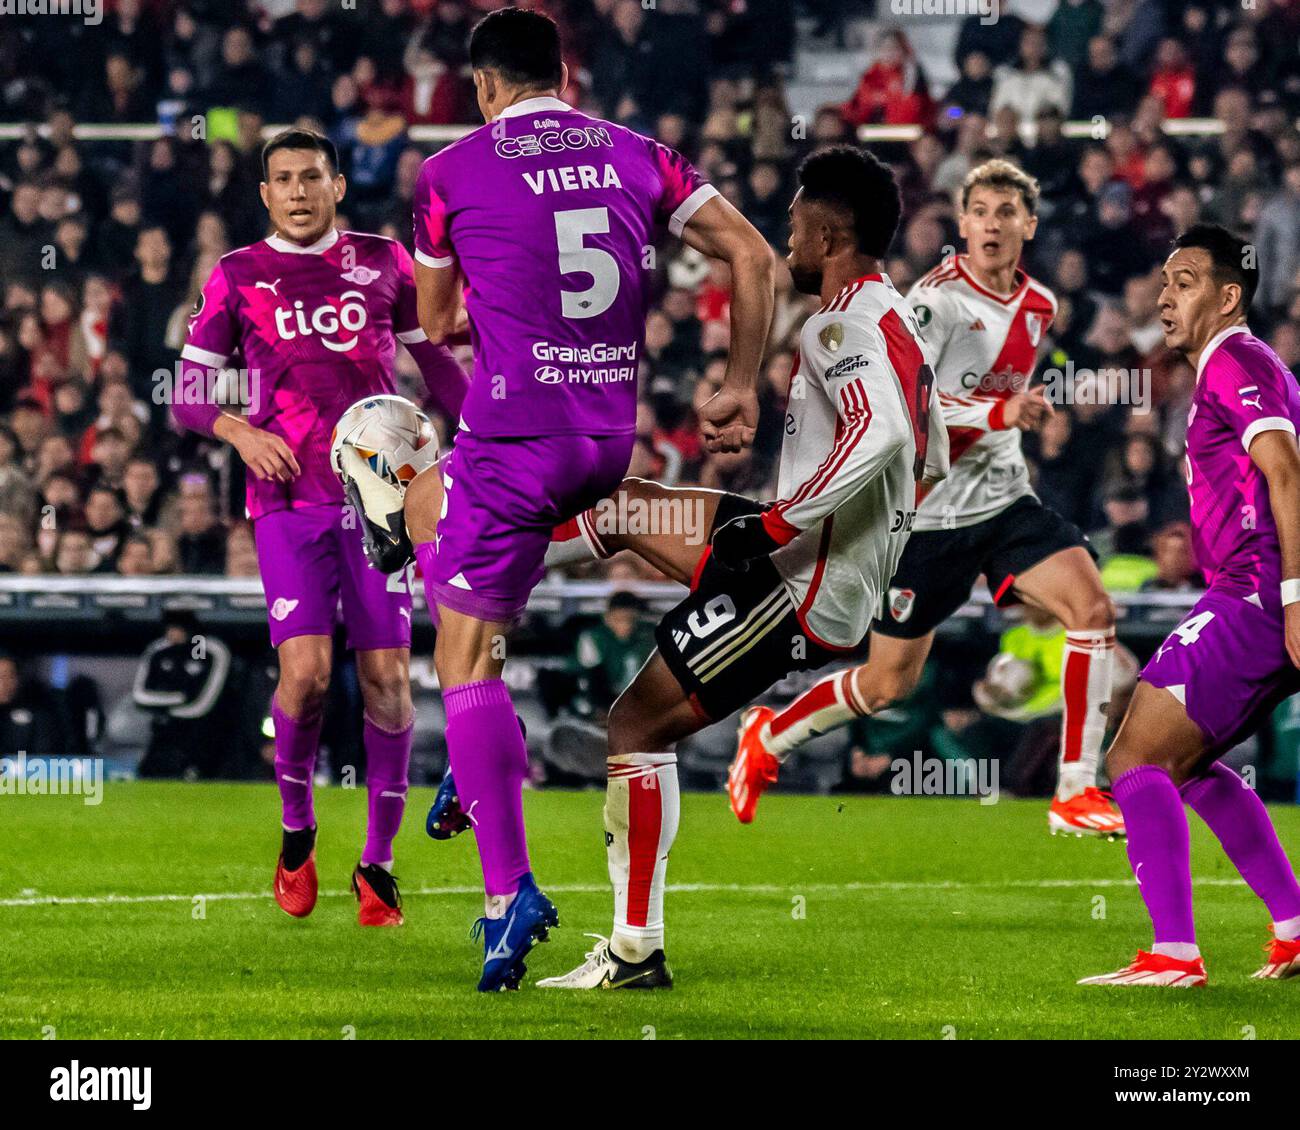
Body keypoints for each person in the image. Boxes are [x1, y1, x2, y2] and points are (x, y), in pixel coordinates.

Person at [402, 6, 773, 991]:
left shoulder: (448, 173)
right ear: (562, 73)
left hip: (515, 438)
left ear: (481, 86)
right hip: (606, 440)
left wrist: (485, 290)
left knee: (457, 646)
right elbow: (752, 257)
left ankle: (509, 887)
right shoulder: (639, 153)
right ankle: (483, 755)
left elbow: (437, 324)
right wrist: (738, 382)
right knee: (444, 534)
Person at [527, 145, 946, 989]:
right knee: (630, 504)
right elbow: (931, 454)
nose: (786, 239)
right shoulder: (896, 323)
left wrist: (789, 524)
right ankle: (482, 572)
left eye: (793, 224)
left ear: (828, 234)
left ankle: (635, 952)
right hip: (803, 560)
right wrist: (857, 537)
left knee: (635, 728)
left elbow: (886, 437)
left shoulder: (839, 327)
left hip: (795, 586)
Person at [729, 160, 1124, 838]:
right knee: (887, 685)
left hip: (1002, 503)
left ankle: (1075, 789)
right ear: (961, 224)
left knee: (1092, 609)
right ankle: (770, 733)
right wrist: (1000, 413)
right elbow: (909, 398)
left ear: (1029, 225)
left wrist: (1007, 422)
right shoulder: (933, 303)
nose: (993, 224)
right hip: (926, 520)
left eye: (1007, 212)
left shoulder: (1040, 306)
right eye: (980, 212)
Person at [172, 126, 469, 928]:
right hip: (287, 503)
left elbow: (435, 362)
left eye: (312, 177)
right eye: (283, 180)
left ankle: (378, 864)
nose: (299, 191)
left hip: (381, 503)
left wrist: (478, 428)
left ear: (337, 185)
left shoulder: (385, 262)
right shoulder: (237, 275)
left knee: (390, 685)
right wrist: (240, 431)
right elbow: (187, 397)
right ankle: (298, 832)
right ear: (264, 193)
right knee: (302, 680)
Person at [1080, 225, 1300, 987]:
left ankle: (1174, 952)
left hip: (1257, 595)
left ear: (1228, 296)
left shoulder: (1236, 359)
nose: (1164, 295)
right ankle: (1295, 927)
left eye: (1185, 281)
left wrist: (1293, 599)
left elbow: (1287, 472)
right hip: (1253, 591)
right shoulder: (1228, 366)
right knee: (1192, 763)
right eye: (1164, 280)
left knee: (1136, 756)